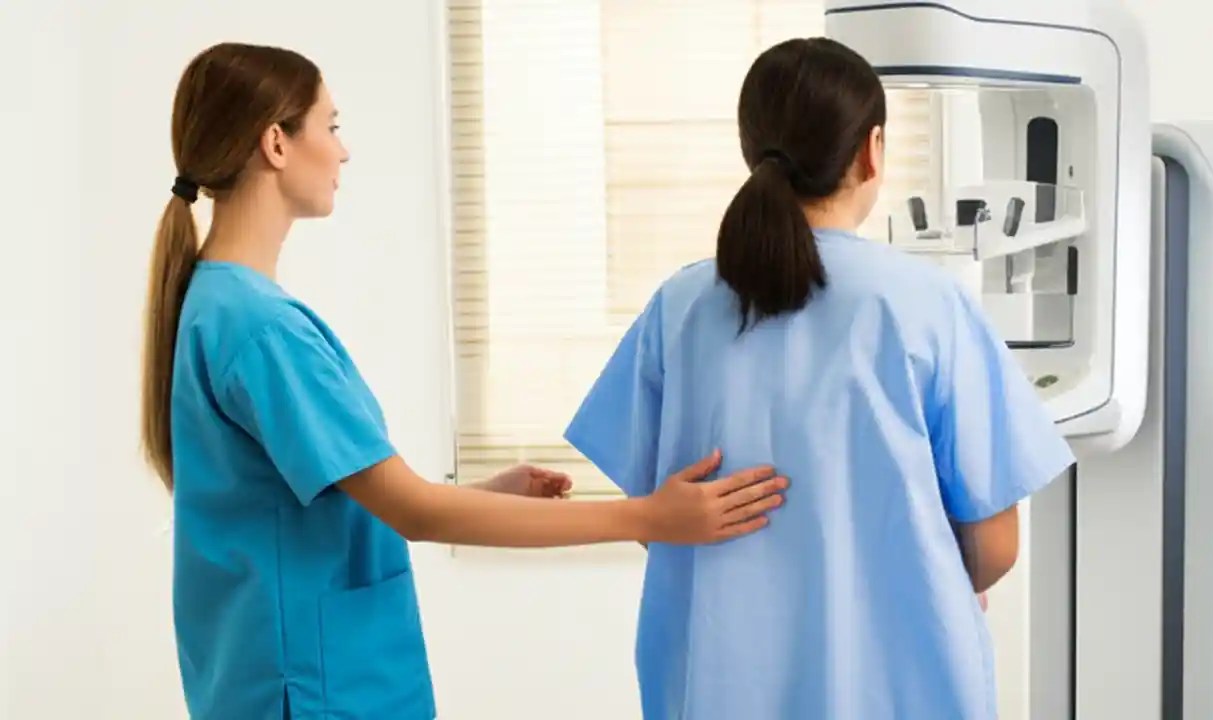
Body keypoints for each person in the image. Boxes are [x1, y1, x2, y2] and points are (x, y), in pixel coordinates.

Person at [141, 42, 788, 720]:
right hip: (312, 691)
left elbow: (324, 503)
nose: (343, 150)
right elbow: (414, 512)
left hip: (282, 678)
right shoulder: (261, 330)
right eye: (330, 127)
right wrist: (649, 516)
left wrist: (485, 495)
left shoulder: (217, 305)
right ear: (277, 143)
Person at [564, 37, 1075, 719]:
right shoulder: (927, 305)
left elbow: (654, 519)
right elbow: (994, 543)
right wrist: (944, 583)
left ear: (753, 151)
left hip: (717, 686)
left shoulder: (680, 307)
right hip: (903, 692)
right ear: (872, 151)